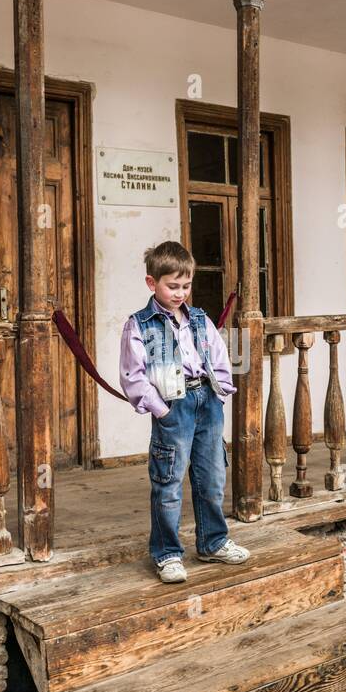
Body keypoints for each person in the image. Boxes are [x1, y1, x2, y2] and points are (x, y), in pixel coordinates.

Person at [119, 241, 251, 583]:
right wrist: (161, 410)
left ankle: (213, 541)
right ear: (152, 283)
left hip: (207, 402)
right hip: (173, 407)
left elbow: (220, 357)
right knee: (168, 483)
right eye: (172, 286)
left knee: (212, 477)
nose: (180, 293)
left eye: (186, 286)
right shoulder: (139, 324)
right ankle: (168, 554)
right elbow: (133, 376)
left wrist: (219, 395)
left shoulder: (200, 319)